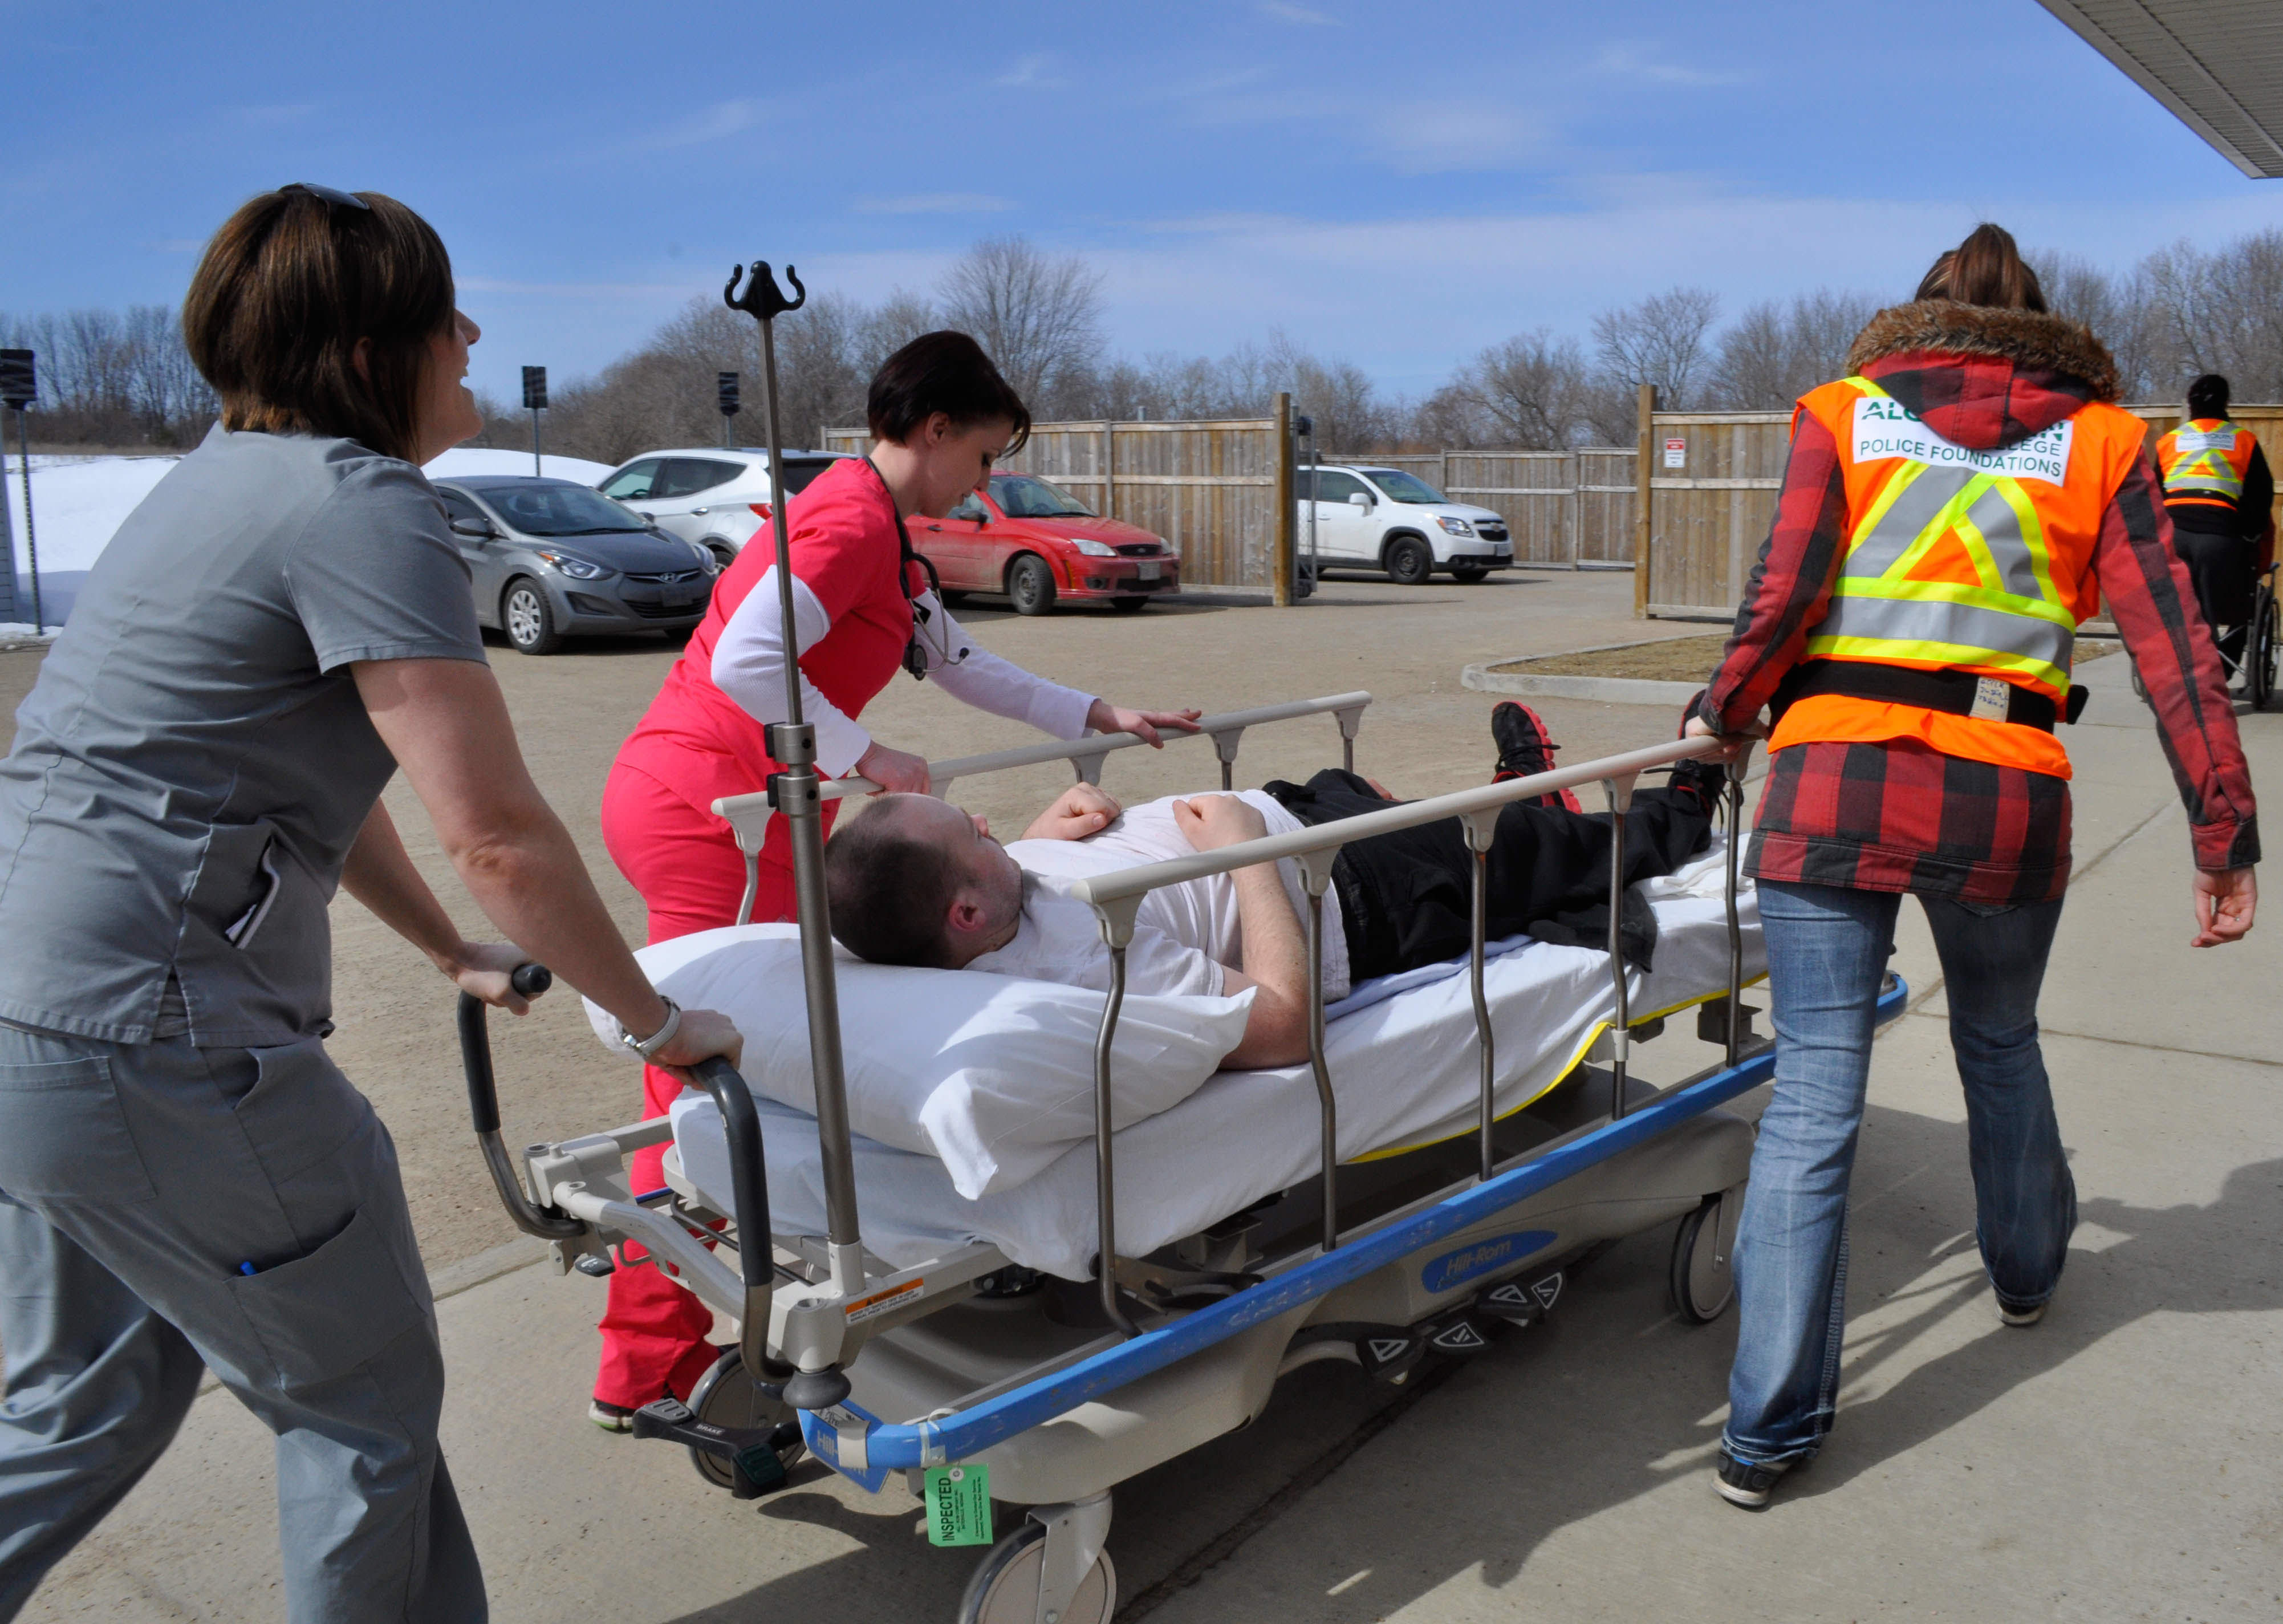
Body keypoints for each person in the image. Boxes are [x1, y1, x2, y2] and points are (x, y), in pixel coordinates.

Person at [0, 184, 740, 1622]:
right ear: (365, 350)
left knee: (80, 1405)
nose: (471, 337)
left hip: (35, 1027)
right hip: (162, 1047)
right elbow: (500, 834)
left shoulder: (215, 483)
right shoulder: (365, 505)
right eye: (443, 316)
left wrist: (451, 949)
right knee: (363, 1403)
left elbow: (292, 789)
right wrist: (654, 1018)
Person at [1680, 223, 2260, 1511]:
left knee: (1813, 1088)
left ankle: (1764, 1431)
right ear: (2037, 323)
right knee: (1998, 1041)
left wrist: (1720, 711)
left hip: (1832, 772)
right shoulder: (2106, 438)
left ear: (1921, 312)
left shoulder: (1840, 411)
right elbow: (2171, 643)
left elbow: (1782, 594)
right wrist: (2220, 832)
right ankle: (2026, 1272)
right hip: (2003, 790)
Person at [591, 331, 1199, 1430]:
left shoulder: (881, 531)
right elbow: (744, 659)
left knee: (765, 1056)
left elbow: (957, 659)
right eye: (982, 455)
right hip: (712, 816)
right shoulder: (844, 520)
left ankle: (782, 1281)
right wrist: (863, 753)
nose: (983, 481)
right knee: (695, 1081)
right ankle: (648, 1364)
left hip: (754, 812)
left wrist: (1095, 713)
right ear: (934, 429)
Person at [822, 703, 1725, 1066]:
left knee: (1455, 817)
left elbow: (997, 893)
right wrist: (1247, 849)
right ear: (966, 912)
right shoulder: (1087, 964)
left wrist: (1038, 840)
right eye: (973, 836)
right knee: (1543, 845)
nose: (986, 824)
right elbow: (1284, 1029)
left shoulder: (984, 913)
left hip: (1299, 820)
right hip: (1345, 888)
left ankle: (1526, 798)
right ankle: (1688, 797)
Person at [2156, 373, 2276, 672]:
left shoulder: (2169, 442)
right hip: (2222, 540)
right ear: (2226, 403)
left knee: (2179, 605)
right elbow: (2261, 497)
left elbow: (2152, 494)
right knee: (2243, 606)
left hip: (2173, 538)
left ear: (2190, 405)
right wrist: (2247, 534)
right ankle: (2220, 670)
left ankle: (2178, 667)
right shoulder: (2244, 441)